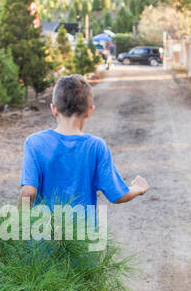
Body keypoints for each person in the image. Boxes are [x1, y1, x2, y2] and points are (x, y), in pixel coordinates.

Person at [18, 75, 148, 226]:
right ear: (89, 111)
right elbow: (117, 195)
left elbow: (28, 191)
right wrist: (138, 188)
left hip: (42, 239)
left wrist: (18, 226)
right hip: (81, 242)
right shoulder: (96, 146)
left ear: (53, 109)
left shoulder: (34, 142)